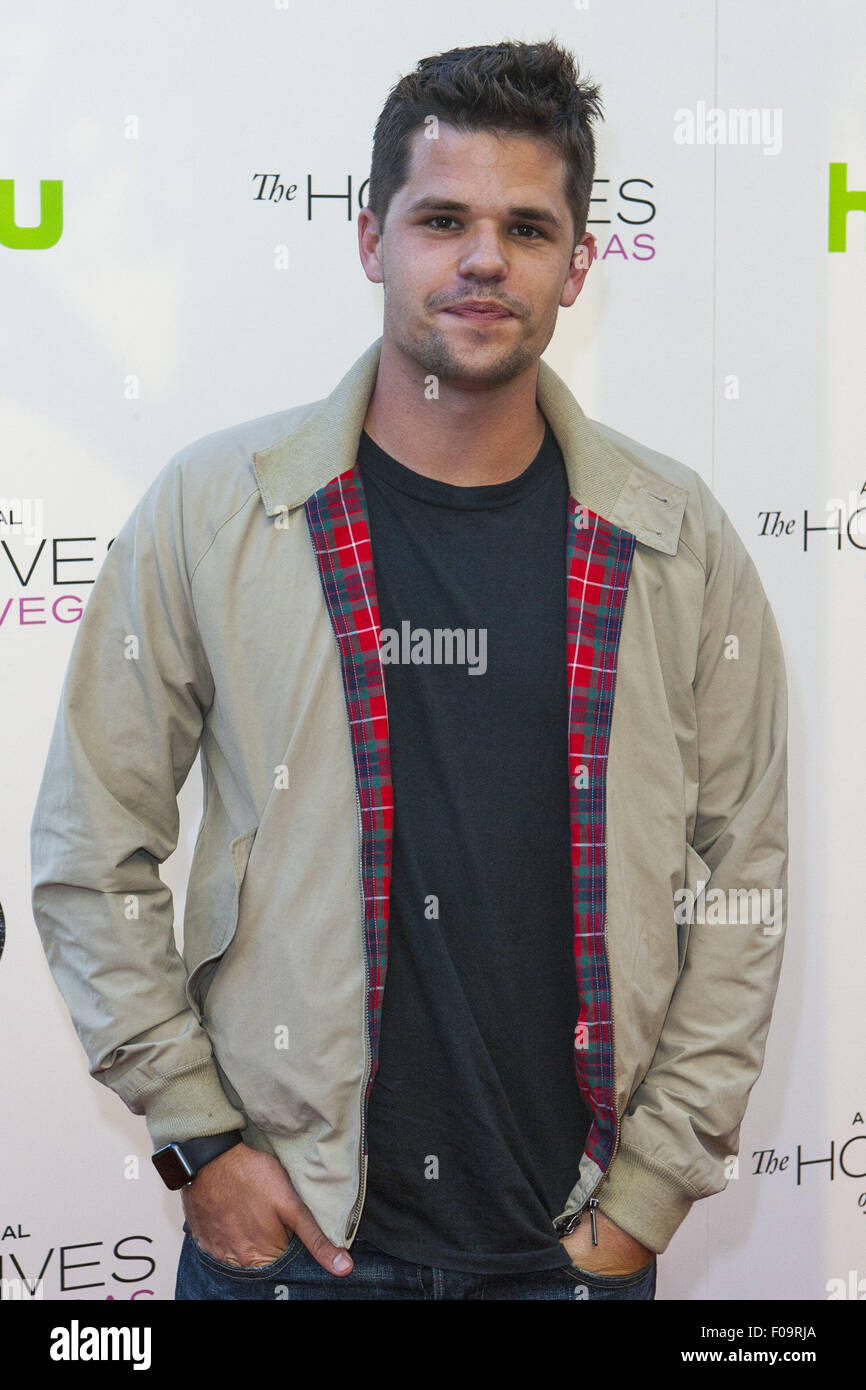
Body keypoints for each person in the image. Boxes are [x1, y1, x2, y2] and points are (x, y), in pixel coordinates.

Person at [29, 38, 788, 1302]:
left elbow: (741, 870)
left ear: (577, 264)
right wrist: (202, 1141)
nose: (483, 258)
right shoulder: (216, 510)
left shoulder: (674, 537)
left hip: (571, 1252)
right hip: (292, 1247)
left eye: (526, 227)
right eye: (442, 219)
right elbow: (88, 844)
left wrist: (650, 1194)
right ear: (370, 237)